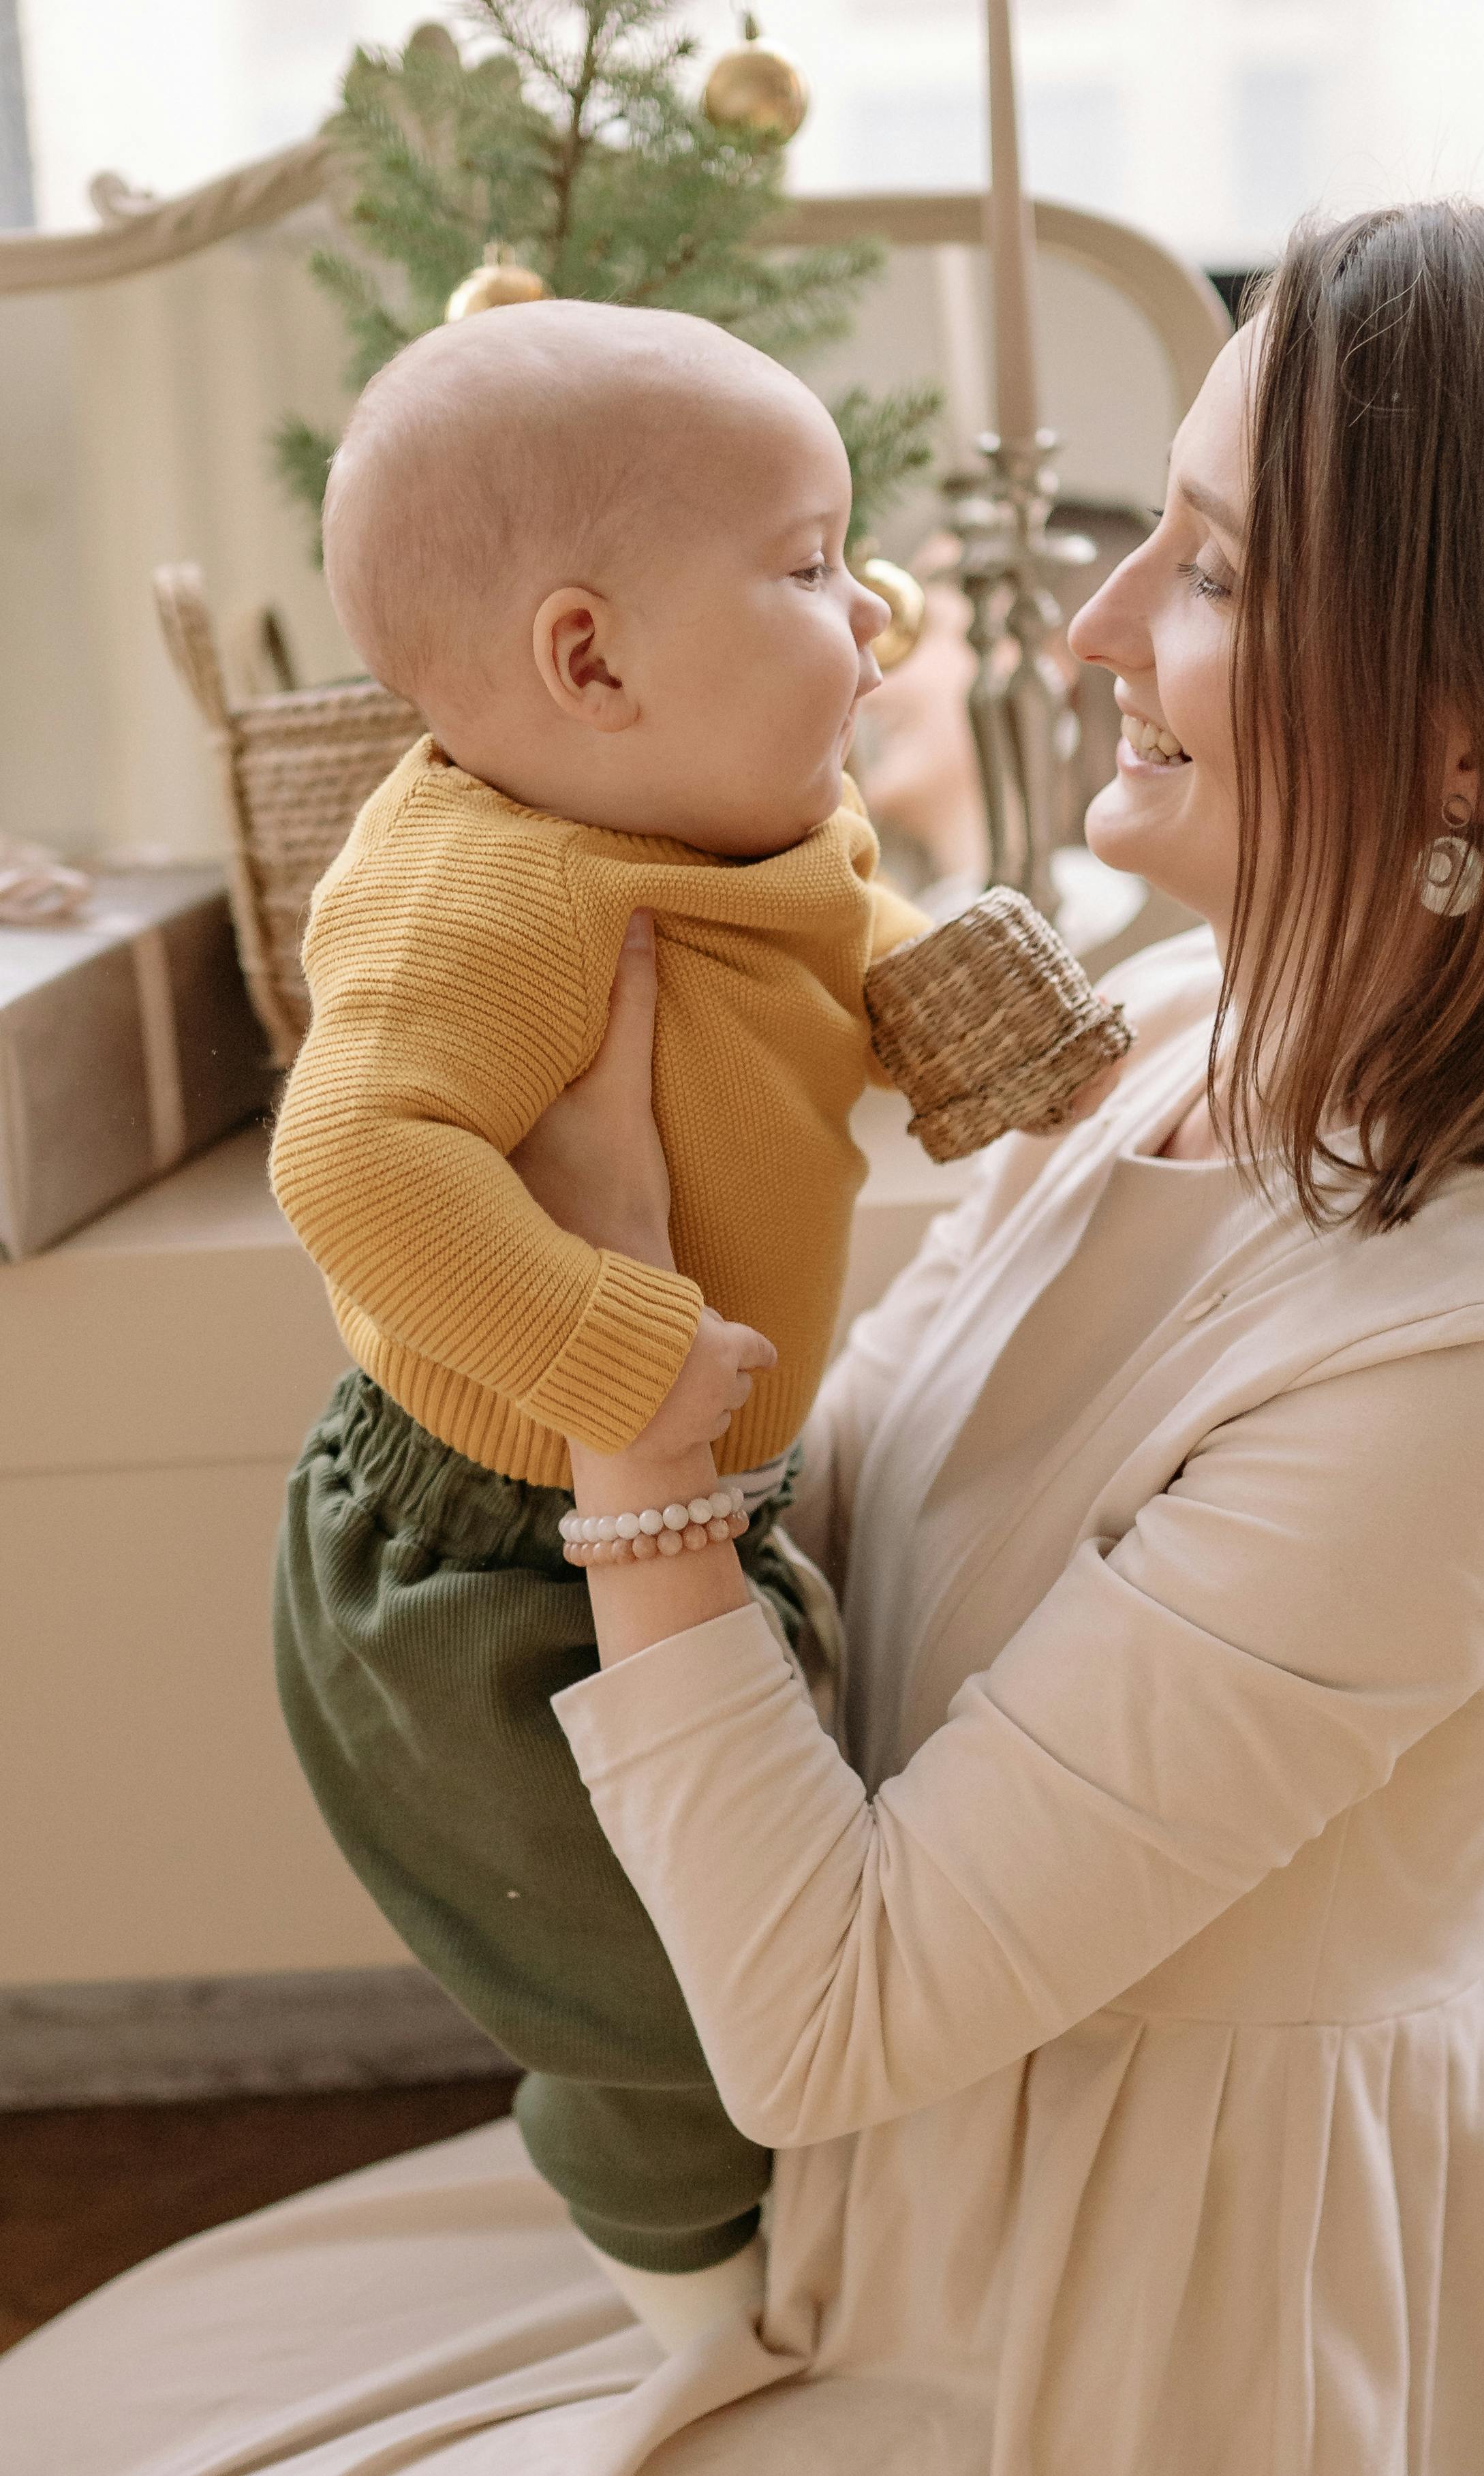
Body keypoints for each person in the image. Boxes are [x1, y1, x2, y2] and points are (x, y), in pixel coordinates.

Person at [7, 198, 1484, 2475]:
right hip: (861, 2137)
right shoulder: (1183, 1023)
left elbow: (823, 2010)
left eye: (1207, 570)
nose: (1081, 623)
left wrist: (626, 1426)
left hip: (1082, 2308)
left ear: (1470, 748)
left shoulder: (1481, 1387)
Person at [264, 296, 1107, 2355]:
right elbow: (354, 1163)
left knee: (743, 1870)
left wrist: (948, 1006)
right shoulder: (497, 902)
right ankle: (693, 2310)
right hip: (486, 1555)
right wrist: (614, 1356)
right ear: (591, 660)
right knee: (651, 1989)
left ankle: (758, 2221)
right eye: (816, 566)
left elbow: (804, 941)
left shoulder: (698, 821)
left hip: (660, 1489)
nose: (882, 611)